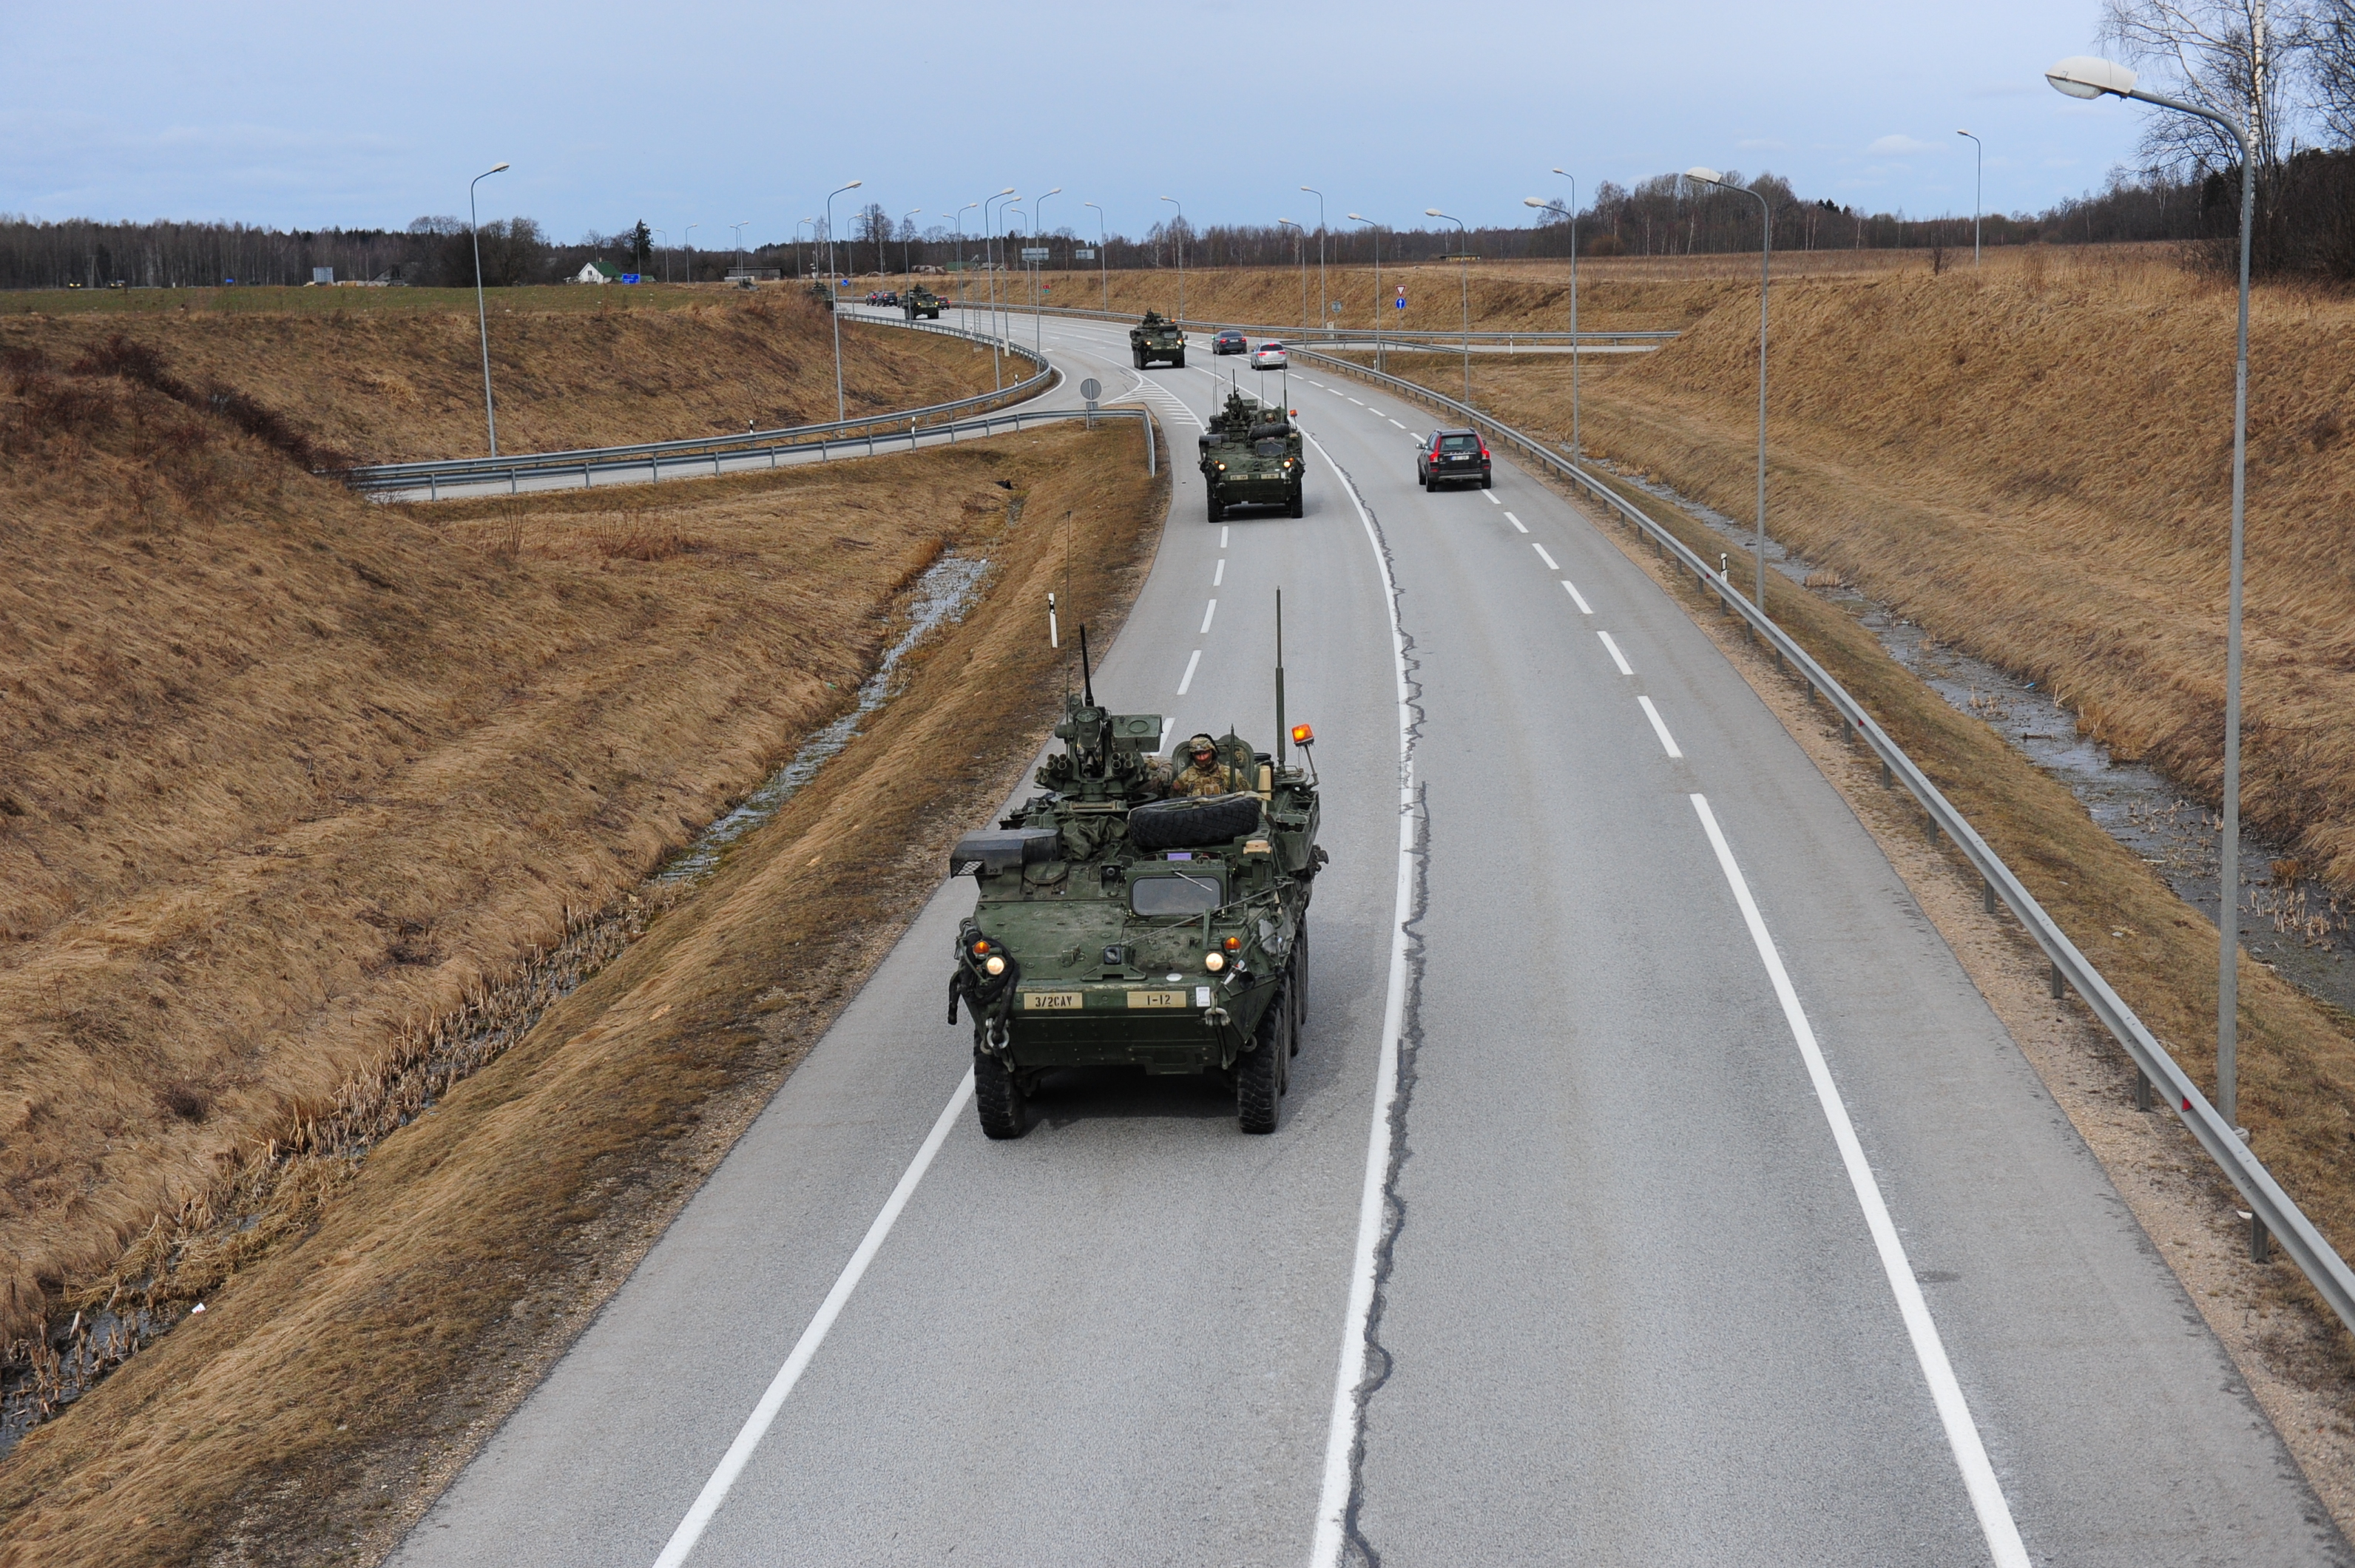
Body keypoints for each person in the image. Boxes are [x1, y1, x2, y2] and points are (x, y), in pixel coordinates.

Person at [1167, 734, 1244, 799]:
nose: (1202, 758)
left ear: (1212, 752)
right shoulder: (1183, 779)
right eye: (1198, 754)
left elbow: (1247, 799)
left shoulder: (1231, 775)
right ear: (1193, 756)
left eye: (1205, 753)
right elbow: (1174, 806)